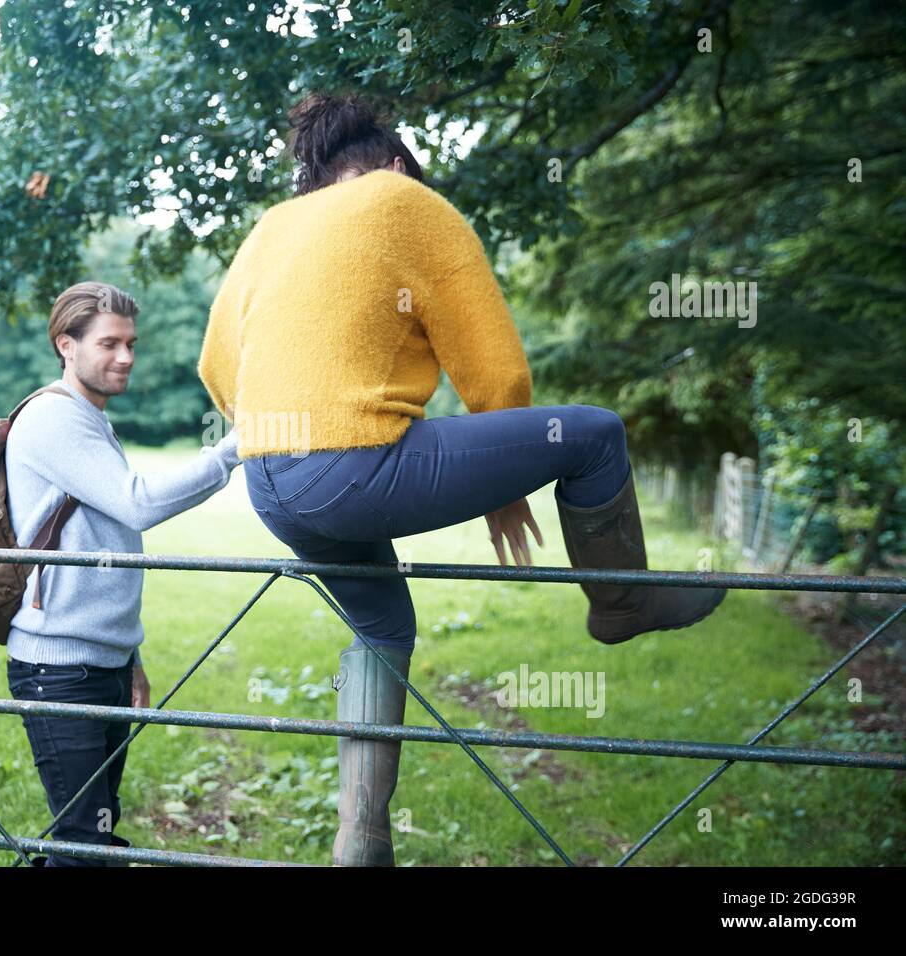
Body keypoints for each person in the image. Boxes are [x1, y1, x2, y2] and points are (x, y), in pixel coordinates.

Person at [197, 92, 726, 867]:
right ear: (399, 162)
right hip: (352, 469)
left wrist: (279, 434)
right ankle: (621, 601)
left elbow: (216, 364)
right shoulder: (405, 199)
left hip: (269, 485)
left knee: (381, 629)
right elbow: (495, 364)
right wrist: (505, 487)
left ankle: (361, 842)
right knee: (593, 433)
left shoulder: (276, 225)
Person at [6, 281, 241, 866]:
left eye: (131, 343)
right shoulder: (54, 420)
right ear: (66, 344)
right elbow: (135, 504)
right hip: (57, 669)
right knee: (87, 844)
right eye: (109, 343)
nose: (127, 357)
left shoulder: (90, 420)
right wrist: (232, 450)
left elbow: (104, 535)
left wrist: (128, 660)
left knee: (89, 839)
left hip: (100, 664)